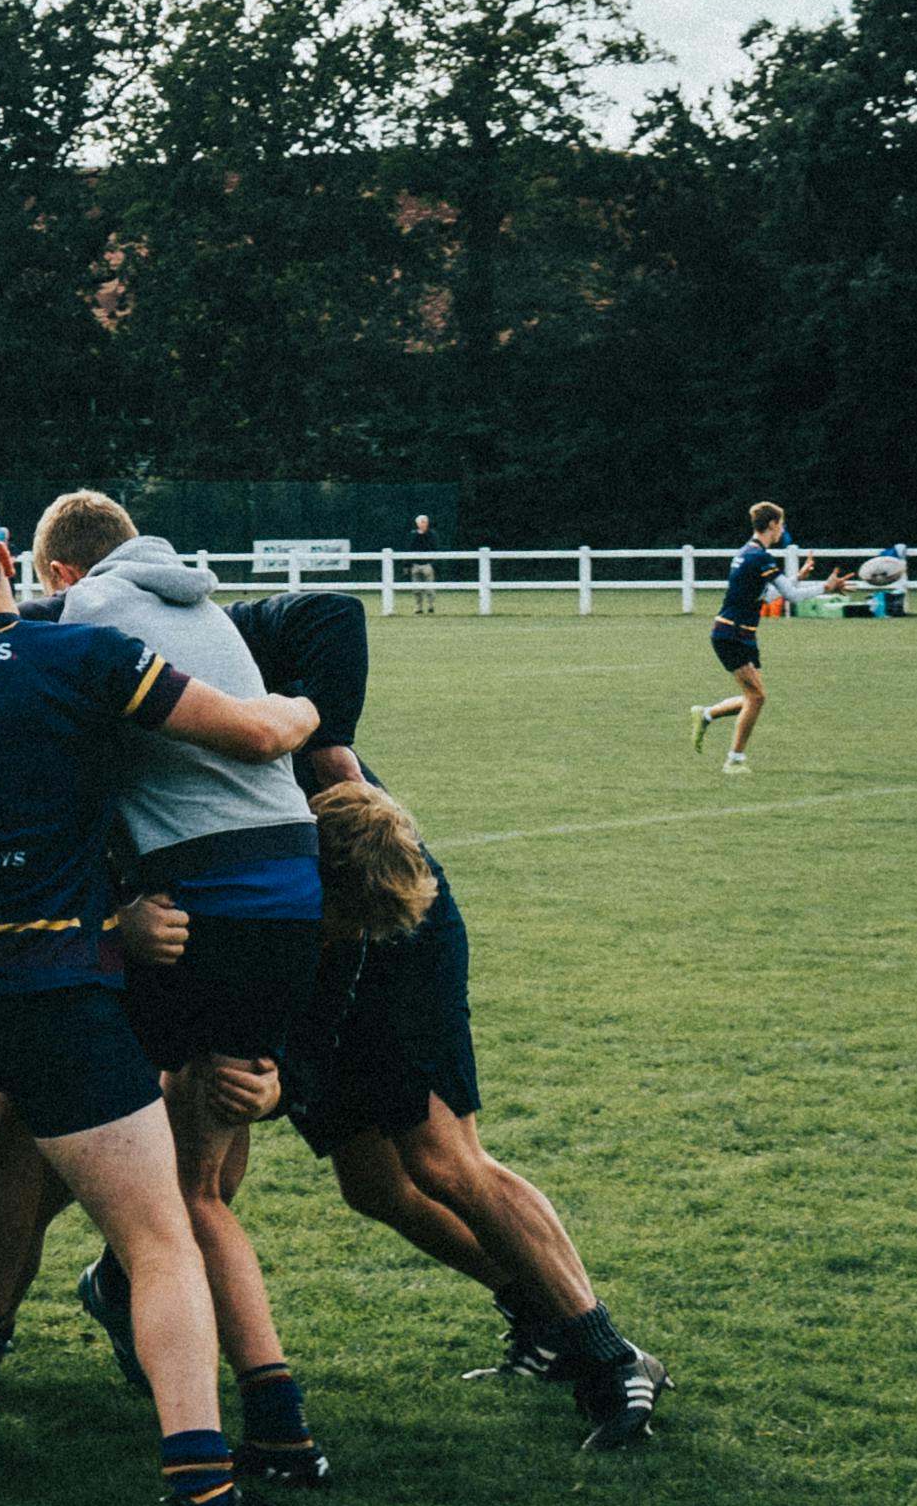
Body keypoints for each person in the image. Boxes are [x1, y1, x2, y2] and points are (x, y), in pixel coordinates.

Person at [0, 471, 330, 1506]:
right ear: (5, 559)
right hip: (63, 993)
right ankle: (203, 1500)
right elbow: (245, 736)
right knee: (158, 1238)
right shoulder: (86, 658)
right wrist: (302, 710)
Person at [220, 584, 670, 1451]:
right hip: (312, 921)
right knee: (371, 1182)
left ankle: (611, 1355)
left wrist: (326, 735)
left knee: (441, 1154)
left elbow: (330, 610)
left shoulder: (194, 639)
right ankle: (538, 1317)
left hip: (386, 906)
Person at [19, 491, 344, 1489]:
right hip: (293, 891)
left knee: (44, 1128)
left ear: (61, 571)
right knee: (202, 1182)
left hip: (196, 898)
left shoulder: (82, 611)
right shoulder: (203, 608)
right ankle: (280, 1426)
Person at [691, 502, 811, 775]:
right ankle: (734, 760)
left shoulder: (748, 553)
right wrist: (827, 587)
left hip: (742, 634)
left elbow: (765, 596)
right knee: (756, 697)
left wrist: (797, 577)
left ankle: (706, 714)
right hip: (730, 634)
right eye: (781, 524)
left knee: (753, 696)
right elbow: (790, 596)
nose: (782, 529)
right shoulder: (759, 557)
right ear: (772, 524)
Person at [409, 514, 437, 615]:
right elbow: (409, 549)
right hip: (415, 564)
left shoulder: (431, 534)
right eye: (421, 522)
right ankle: (418, 608)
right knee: (416, 589)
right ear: (417, 524)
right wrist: (408, 565)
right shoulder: (413, 535)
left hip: (427, 564)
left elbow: (434, 548)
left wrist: (432, 563)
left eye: (425, 522)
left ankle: (431, 606)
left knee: (430, 588)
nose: (423, 524)